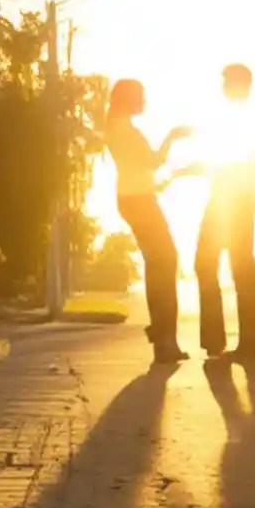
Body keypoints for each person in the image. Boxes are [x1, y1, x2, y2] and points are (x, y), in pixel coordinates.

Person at [103, 78, 192, 364]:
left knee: (161, 262)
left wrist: (174, 178)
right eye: (141, 96)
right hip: (138, 201)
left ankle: (164, 339)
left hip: (137, 197)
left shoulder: (121, 127)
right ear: (127, 98)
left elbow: (141, 170)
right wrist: (172, 136)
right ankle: (164, 339)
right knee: (165, 261)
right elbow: (152, 161)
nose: (145, 101)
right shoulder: (122, 128)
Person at [194, 63, 255, 360]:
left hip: (235, 198)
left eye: (225, 81)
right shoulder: (230, 117)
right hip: (228, 195)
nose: (221, 86)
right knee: (229, 265)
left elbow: (248, 160)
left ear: (239, 84)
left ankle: (229, 342)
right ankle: (229, 342)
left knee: (229, 265)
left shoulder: (246, 118)